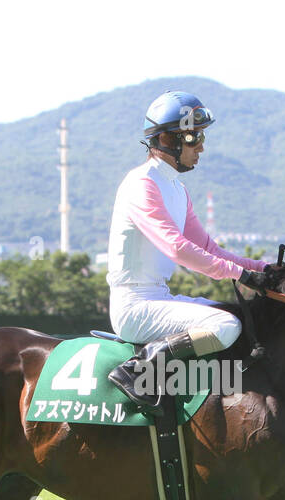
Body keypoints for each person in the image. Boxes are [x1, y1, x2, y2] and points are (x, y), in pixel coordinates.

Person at [106, 91, 274, 408]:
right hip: (135, 307)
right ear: (170, 139)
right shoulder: (141, 183)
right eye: (195, 138)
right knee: (225, 325)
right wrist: (239, 275)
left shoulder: (177, 189)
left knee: (237, 315)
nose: (201, 147)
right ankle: (137, 370)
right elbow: (177, 248)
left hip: (158, 298)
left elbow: (208, 248)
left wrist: (261, 269)